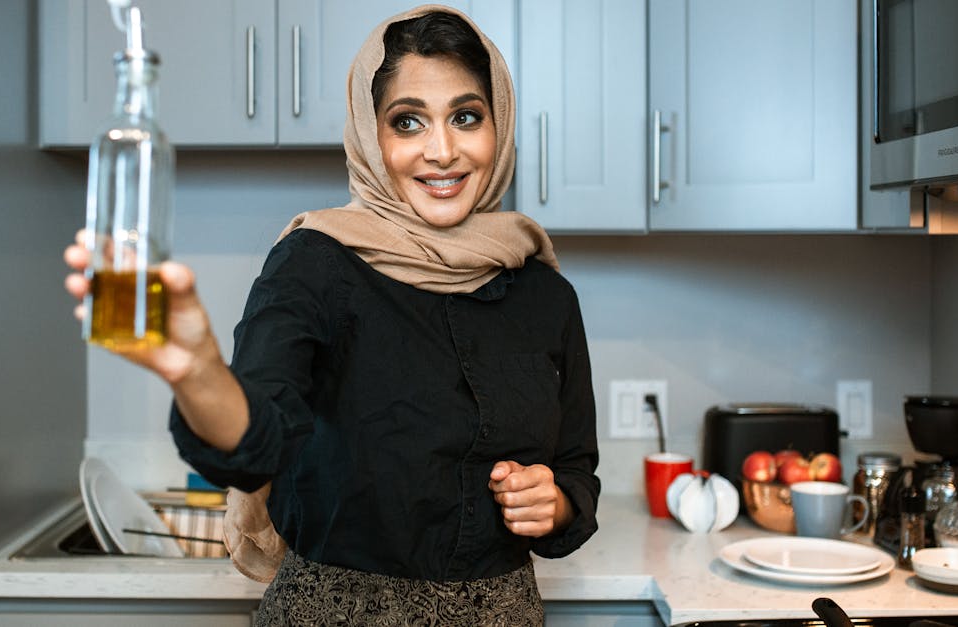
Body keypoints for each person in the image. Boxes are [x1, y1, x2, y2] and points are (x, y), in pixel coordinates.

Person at [64, 5, 600, 625]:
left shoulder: (543, 293)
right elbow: (255, 445)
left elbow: (576, 472)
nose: (443, 150)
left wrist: (554, 503)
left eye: (465, 116)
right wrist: (198, 372)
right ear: (371, 135)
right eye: (408, 123)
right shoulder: (312, 264)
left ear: (498, 125)